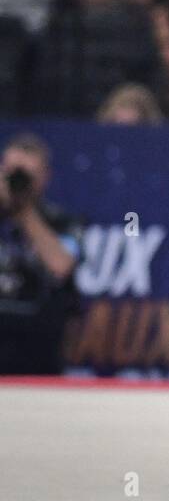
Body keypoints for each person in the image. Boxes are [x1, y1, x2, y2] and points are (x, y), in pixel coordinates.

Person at [0, 133, 83, 375]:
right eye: (12, 172)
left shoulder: (63, 222)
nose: (18, 181)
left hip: (38, 352)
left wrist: (24, 212)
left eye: (26, 176)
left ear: (44, 178)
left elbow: (61, 265)